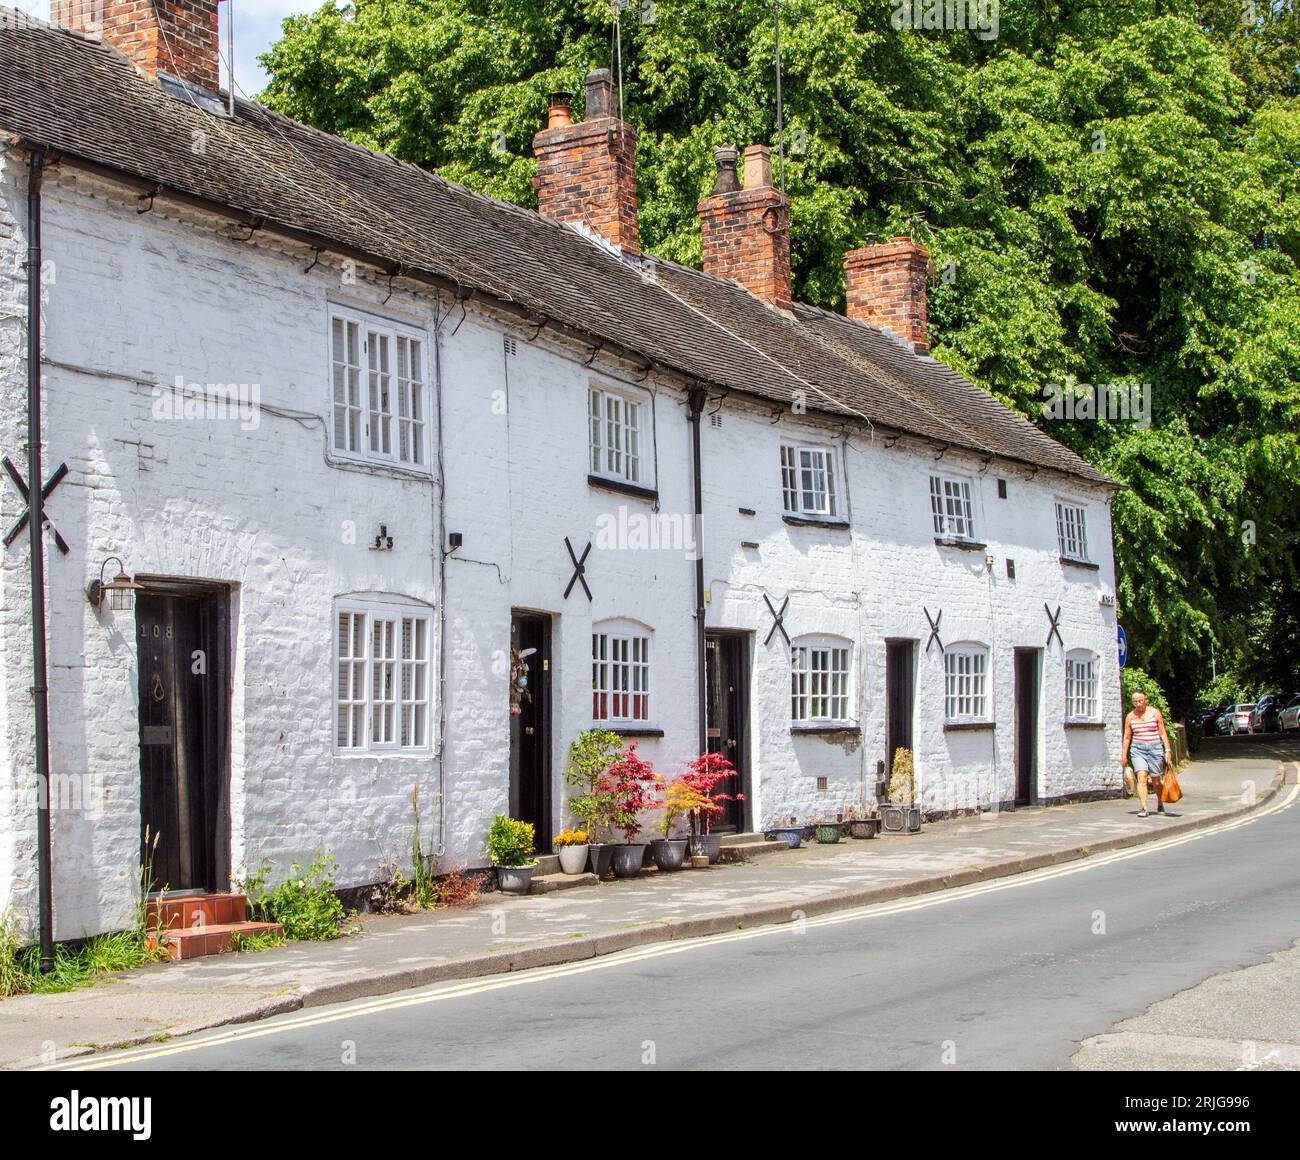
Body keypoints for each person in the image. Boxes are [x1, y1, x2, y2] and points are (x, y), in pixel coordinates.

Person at [1122, 690, 1173, 818]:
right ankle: (1144, 808)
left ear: (1145, 699)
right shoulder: (1130, 716)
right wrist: (1123, 756)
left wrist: (1167, 750)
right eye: (1135, 701)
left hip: (1155, 748)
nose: (1138, 704)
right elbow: (1127, 737)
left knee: (1156, 780)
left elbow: (1162, 732)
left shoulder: (1154, 713)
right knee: (1142, 777)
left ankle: (1160, 802)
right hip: (1137, 749)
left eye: (1140, 701)